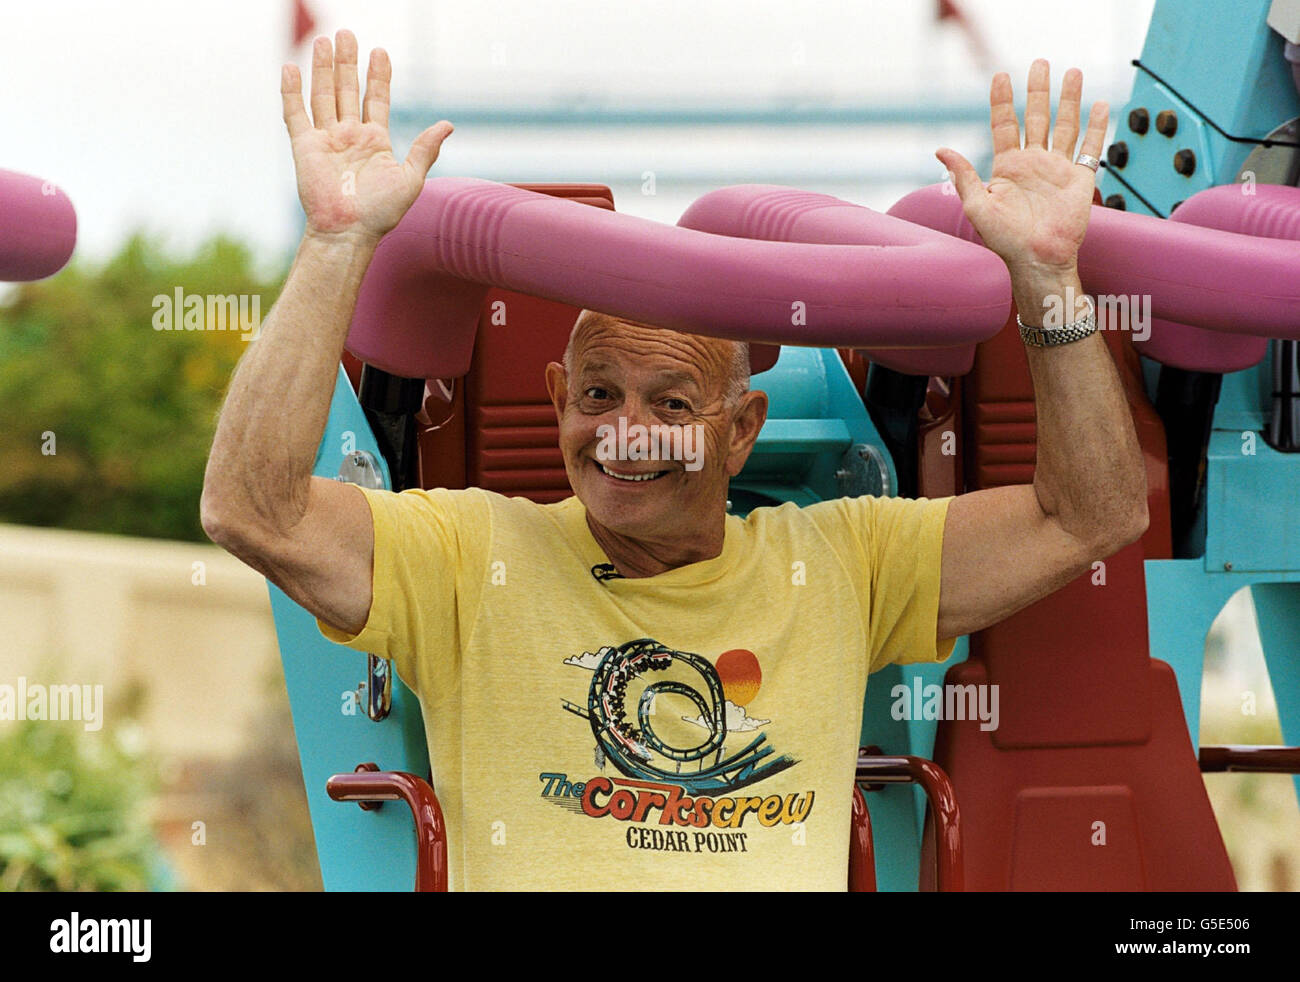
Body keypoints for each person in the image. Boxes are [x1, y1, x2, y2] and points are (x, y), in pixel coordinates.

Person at [201, 30, 1148, 890]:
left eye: (673, 403)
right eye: (598, 395)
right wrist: (336, 243)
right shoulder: (465, 555)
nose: (626, 432)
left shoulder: (845, 563)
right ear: (557, 401)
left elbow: (1091, 515)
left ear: (743, 429)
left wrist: (1047, 278)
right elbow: (250, 511)